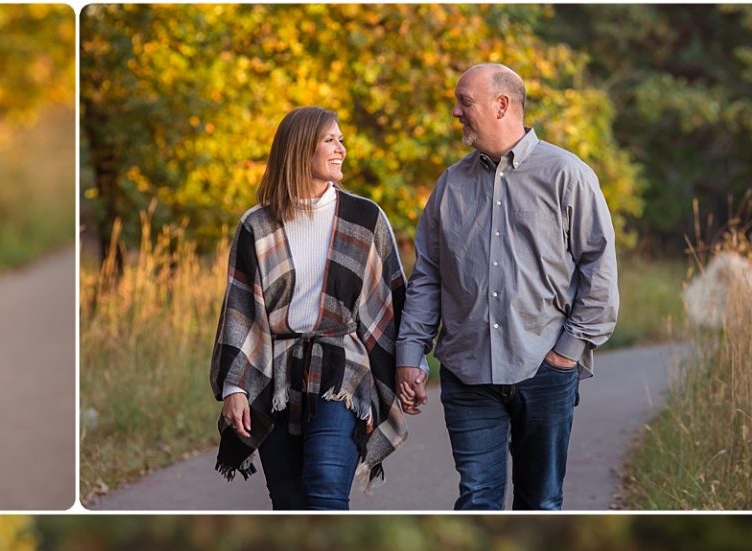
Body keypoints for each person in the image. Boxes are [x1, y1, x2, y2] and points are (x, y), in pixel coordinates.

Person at [395, 63, 620, 510]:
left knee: (540, 503)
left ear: (502, 105)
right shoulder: (450, 186)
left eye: (465, 102)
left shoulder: (566, 175)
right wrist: (410, 354)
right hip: (466, 372)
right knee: (477, 498)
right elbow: (428, 277)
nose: (456, 113)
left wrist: (566, 354)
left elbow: (600, 270)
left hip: (545, 368)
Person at [210, 105, 410, 509]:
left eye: (341, 139)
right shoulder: (258, 225)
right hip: (275, 373)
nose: (342, 149)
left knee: (325, 492)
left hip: (343, 370)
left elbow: (391, 301)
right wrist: (235, 387)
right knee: (287, 502)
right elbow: (240, 309)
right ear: (302, 149)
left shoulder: (365, 218)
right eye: (330, 140)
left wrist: (401, 373)